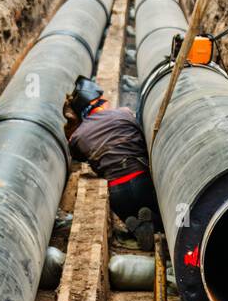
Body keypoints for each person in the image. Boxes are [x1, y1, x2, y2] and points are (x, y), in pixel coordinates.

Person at [63, 76, 161, 249]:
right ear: (98, 103)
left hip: (117, 192)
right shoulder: (124, 113)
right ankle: (152, 222)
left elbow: (78, 157)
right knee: (160, 220)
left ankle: (135, 228)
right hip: (142, 181)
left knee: (130, 214)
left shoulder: (78, 136)